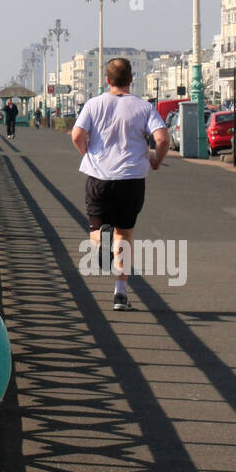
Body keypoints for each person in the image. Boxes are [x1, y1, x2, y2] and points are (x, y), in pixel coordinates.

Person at [71, 57, 169, 311]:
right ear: (131, 80)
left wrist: (88, 154)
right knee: (124, 235)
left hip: (99, 176)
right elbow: (163, 139)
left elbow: (77, 135)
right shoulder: (144, 107)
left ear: (107, 80)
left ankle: (101, 246)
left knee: (97, 228)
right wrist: (156, 160)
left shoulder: (94, 104)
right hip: (131, 180)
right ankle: (120, 293)